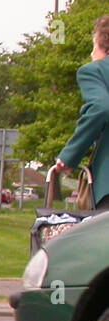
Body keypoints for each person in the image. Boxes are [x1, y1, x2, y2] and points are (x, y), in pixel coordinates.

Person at [53, 14, 109, 211]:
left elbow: (101, 108)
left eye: (94, 46)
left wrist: (69, 156)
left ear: (102, 45)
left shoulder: (94, 71)